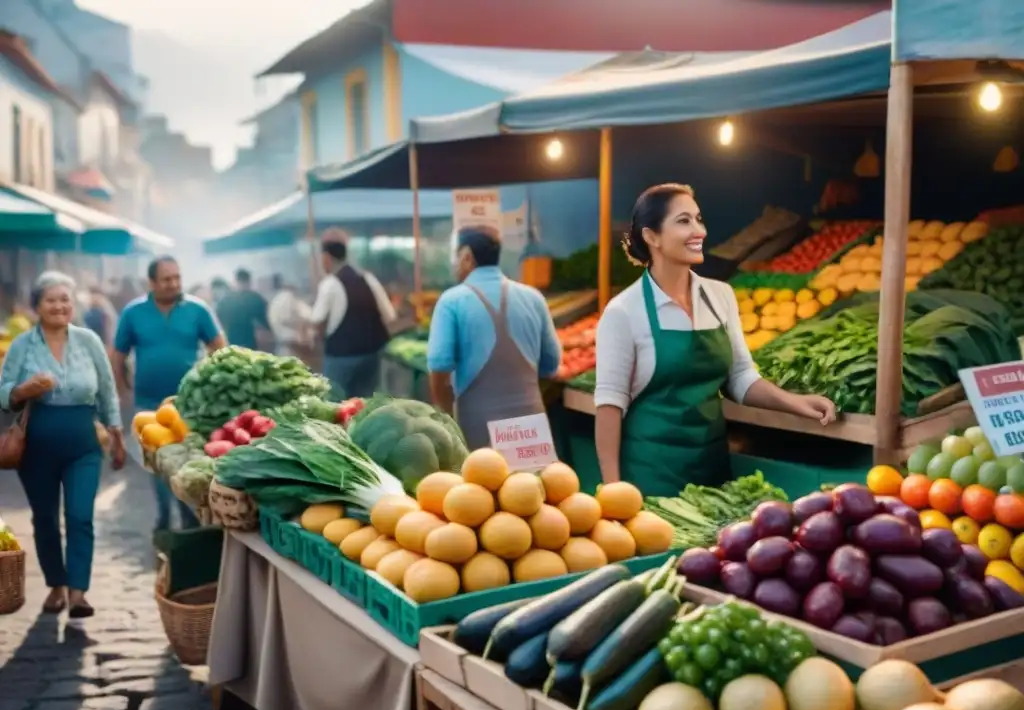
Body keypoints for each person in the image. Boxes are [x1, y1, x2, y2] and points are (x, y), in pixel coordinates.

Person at [594, 184, 836, 496]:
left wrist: (795, 402)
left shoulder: (719, 296)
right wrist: (614, 494)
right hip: (649, 478)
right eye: (684, 221)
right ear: (651, 237)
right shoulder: (624, 312)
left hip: (712, 474)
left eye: (699, 219)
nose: (699, 231)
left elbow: (740, 377)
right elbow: (610, 407)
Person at [0, 271, 126, 617]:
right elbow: (3, 393)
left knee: (80, 515)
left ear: (73, 304)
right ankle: (55, 585)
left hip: (83, 443)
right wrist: (25, 390)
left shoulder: (89, 341)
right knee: (44, 518)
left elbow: (106, 391)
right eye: (51, 300)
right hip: (36, 445)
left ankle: (78, 592)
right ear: (37, 306)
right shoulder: (24, 345)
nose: (59, 306)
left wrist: (116, 436)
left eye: (65, 299)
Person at [112, 256, 226, 531]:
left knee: (188, 461)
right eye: (166, 279)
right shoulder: (133, 312)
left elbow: (220, 350)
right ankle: (164, 517)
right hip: (148, 404)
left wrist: (213, 389)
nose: (173, 284)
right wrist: (122, 391)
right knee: (158, 464)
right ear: (151, 282)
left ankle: (188, 518)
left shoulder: (198, 310)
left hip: (189, 404)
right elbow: (117, 355)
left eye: (177, 277)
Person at [427, 228, 562, 449]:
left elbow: (439, 368)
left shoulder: (451, 301)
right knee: (534, 483)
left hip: (478, 428)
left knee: (483, 482)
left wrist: (447, 420)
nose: (454, 263)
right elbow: (551, 365)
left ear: (467, 256)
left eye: (456, 255)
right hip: (530, 428)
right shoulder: (534, 298)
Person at [312, 228, 396, 398]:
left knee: (334, 406)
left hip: (340, 358)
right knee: (365, 407)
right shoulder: (368, 278)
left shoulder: (329, 284)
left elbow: (317, 322)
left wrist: (318, 341)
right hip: (372, 356)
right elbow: (390, 316)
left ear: (326, 258)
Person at [216, 268, 271, 350]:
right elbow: (265, 322)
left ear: (236, 281)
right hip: (249, 343)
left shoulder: (225, 300)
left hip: (230, 343)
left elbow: (218, 322)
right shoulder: (254, 298)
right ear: (248, 282)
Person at [267, 274, 311, 357]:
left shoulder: (278, 298)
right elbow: (287, 318)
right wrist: (301, 325)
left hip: (284, 343)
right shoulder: (287, 296)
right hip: (290, 344)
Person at [82, 286, 118, 352]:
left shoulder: (105, 312)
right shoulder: (87, 311)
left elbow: (109, 330)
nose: (94, 299)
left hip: (102, 344)